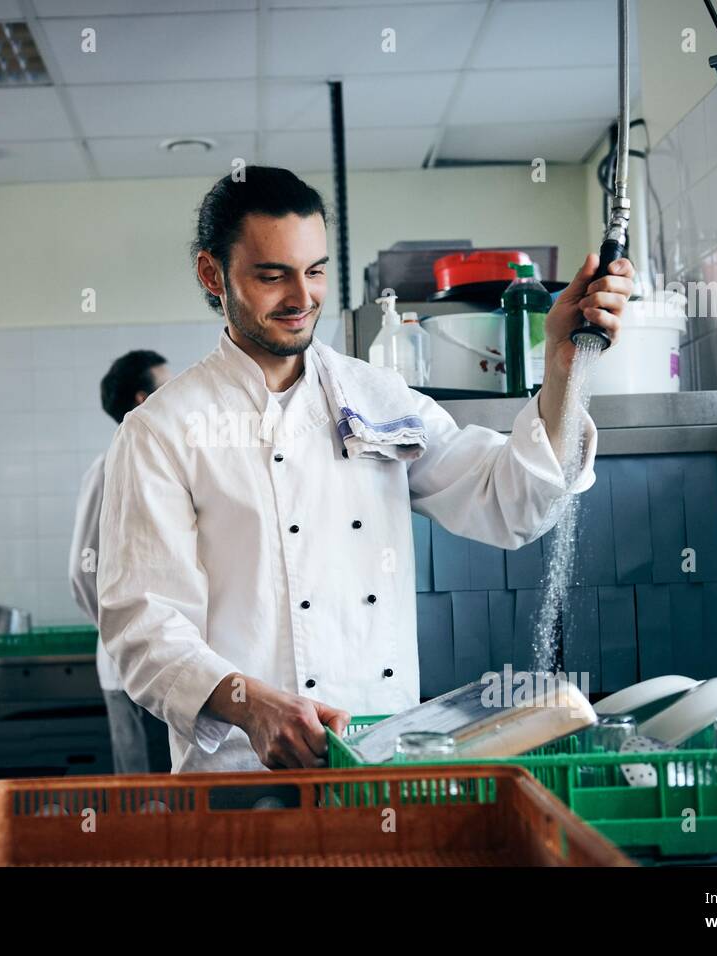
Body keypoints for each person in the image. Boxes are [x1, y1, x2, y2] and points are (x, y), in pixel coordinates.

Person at [97, 166, 635, 773]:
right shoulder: (162, 430)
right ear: (211, 274)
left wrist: (563, 369)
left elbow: (511, 503)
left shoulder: (377, 397)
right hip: (240, 776)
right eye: (272, 276)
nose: (302, 298)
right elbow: (144, 625)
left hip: (382, 759)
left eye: (316, 271)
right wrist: (248, 704)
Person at [69, 349, 173, 774]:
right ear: (142, 400)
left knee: (179, 800)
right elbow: (82, 569)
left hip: (171, 664)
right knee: (149, 801)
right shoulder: (110, 464)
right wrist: (126, 632)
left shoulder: (165, 463)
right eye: (168, 388)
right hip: (132, 667)